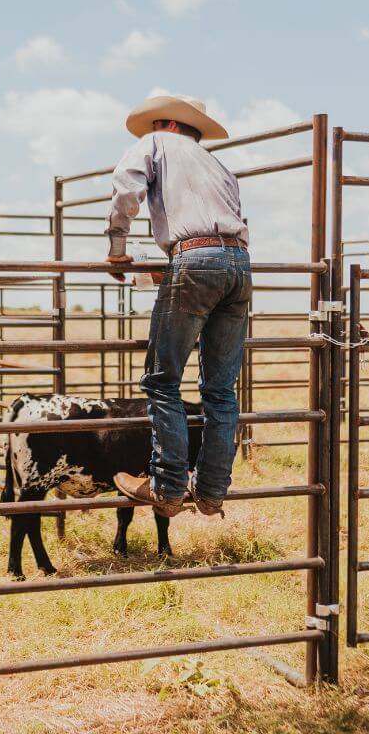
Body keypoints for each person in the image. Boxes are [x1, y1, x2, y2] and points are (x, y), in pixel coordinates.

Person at [105, 95, 252, 519]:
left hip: (193, 258)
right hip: (239, 263)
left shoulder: (154, 144)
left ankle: (167, 487)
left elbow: (126, 188)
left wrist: (117, 249)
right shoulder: (218, 165)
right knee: (221, 389)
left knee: (162, 380)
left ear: (167, 124)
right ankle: (211, 492)